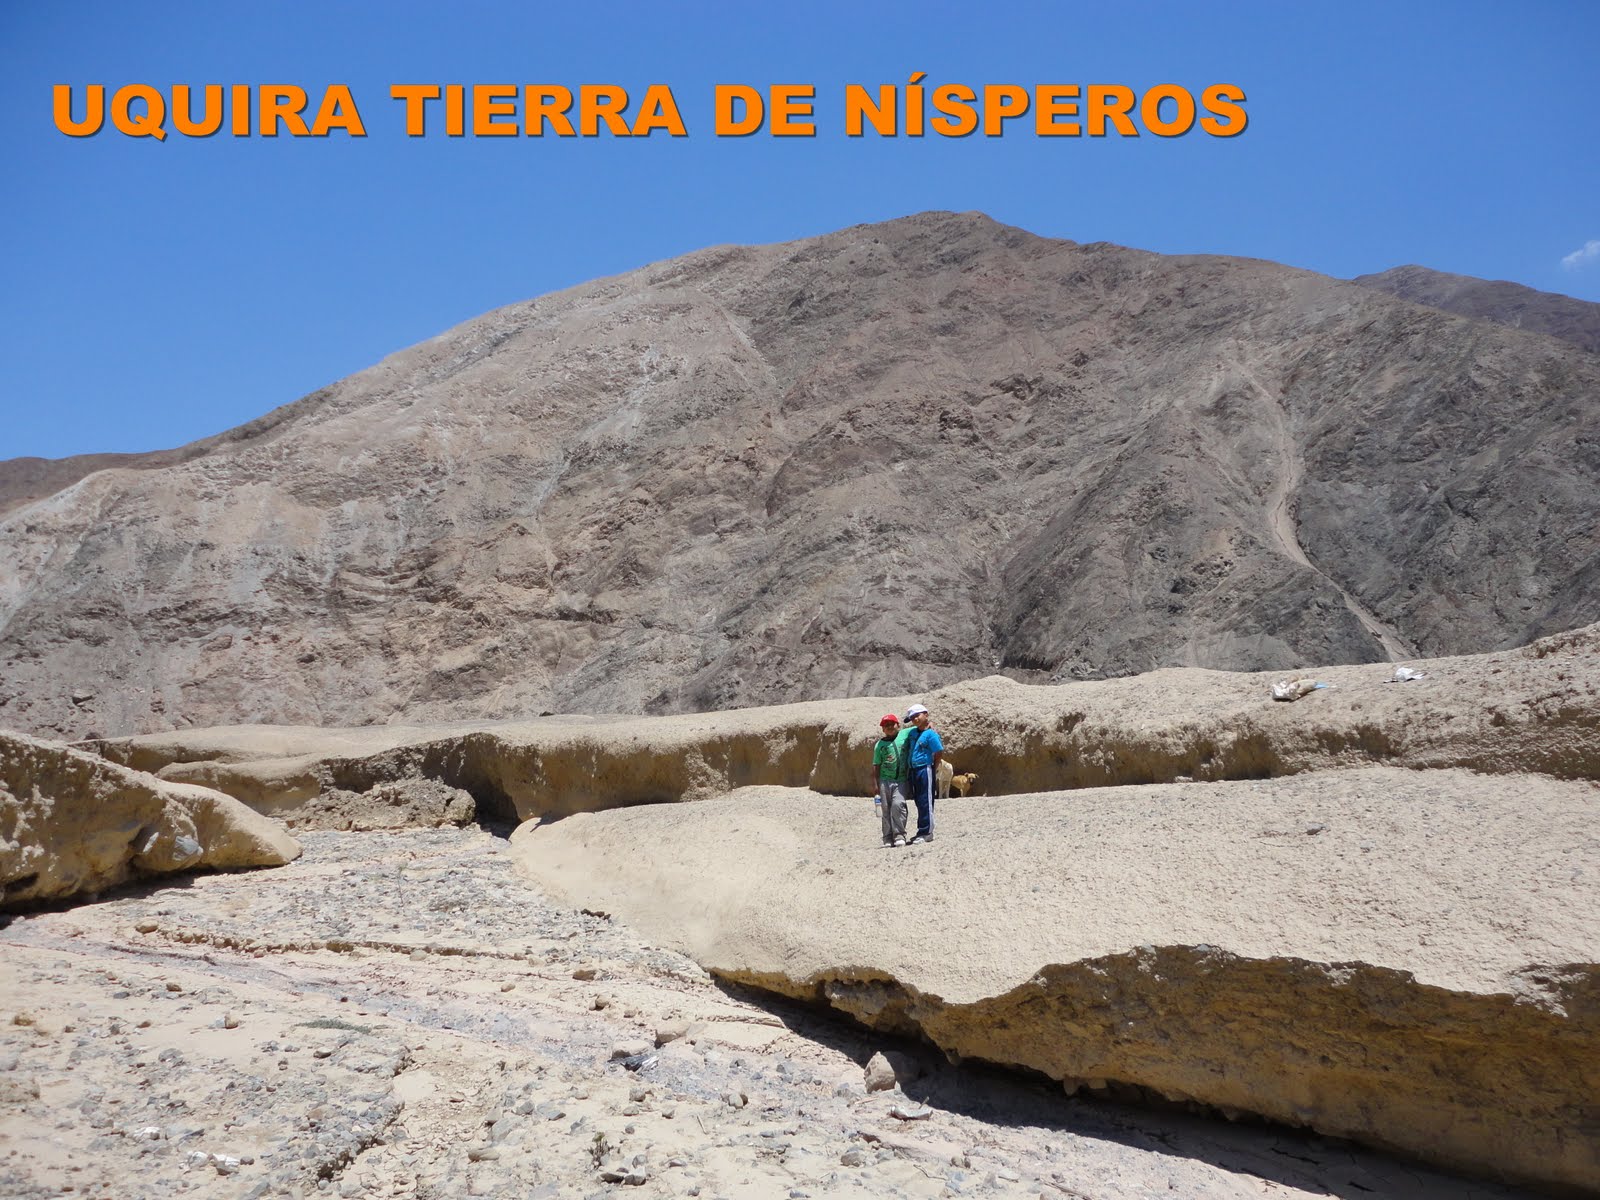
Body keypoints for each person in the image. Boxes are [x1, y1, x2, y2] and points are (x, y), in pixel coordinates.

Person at [903, 703, 944, 844]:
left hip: (924, 768)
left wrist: (933, 767)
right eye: (912, 717)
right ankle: (922, 830)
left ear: (925, 714)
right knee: (919, 800)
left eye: (917, 715)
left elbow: (938, 751)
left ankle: (927, 832)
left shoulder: (931, 734)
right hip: (913, 769)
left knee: (926, 800)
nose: (915, 719)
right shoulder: (913, 733)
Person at [869, 714, 909, 847]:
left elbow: (918, 729)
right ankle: (887, 837)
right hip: (885, 781)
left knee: (898, 805)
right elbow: (876, 765)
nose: (890, 727)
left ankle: (899, 835)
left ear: (898, 725)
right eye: (886, 725)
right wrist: (875, 785)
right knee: (885, 809)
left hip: (901, 780)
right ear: (883, 729)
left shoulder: (904, 735)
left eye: (892, 724)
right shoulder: (879, 745)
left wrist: (929, 725)